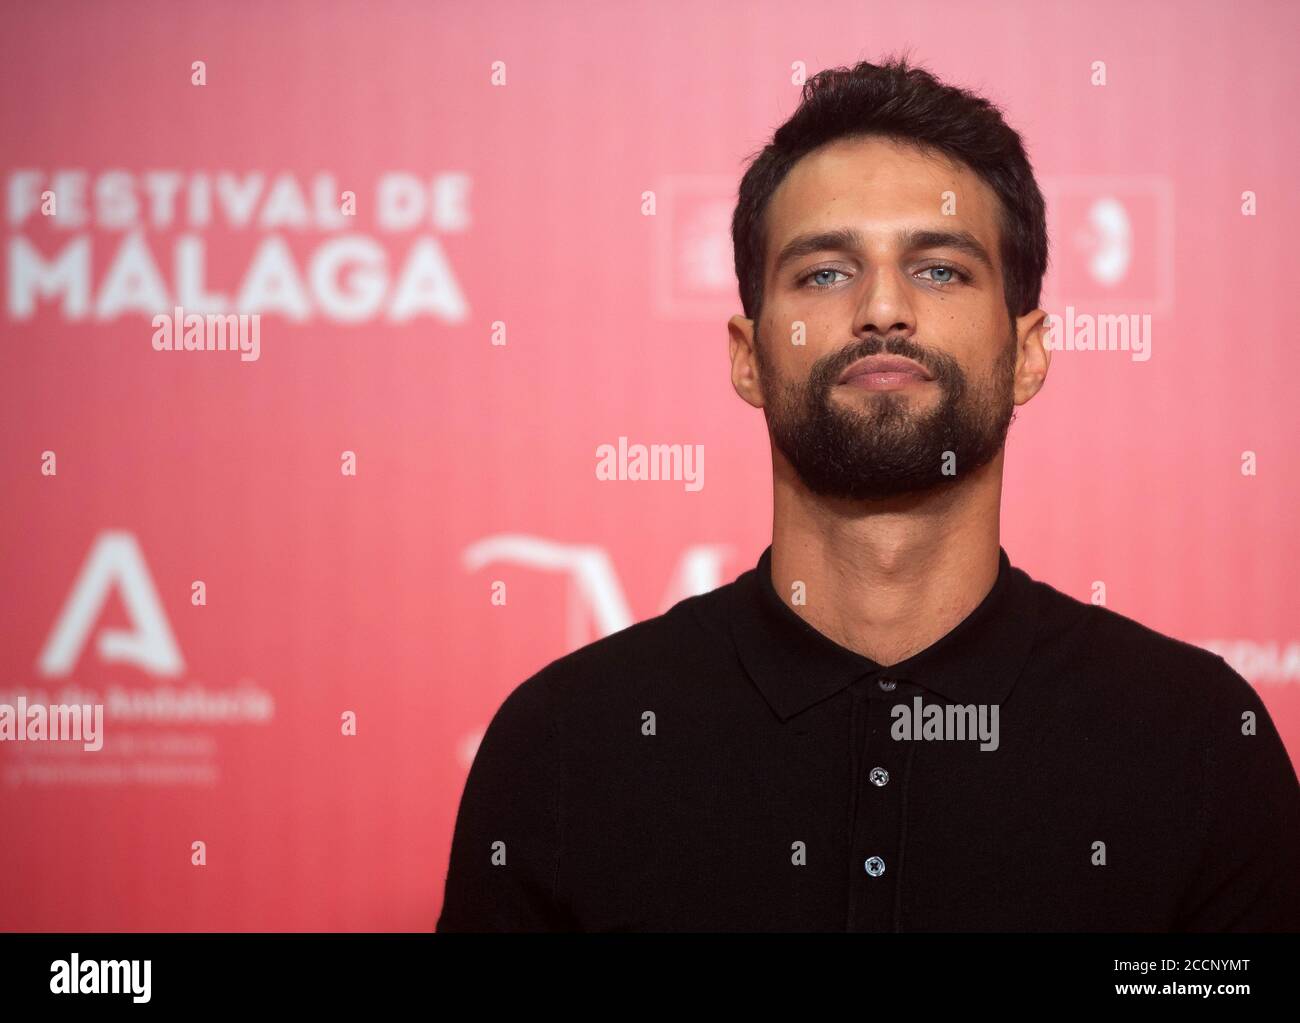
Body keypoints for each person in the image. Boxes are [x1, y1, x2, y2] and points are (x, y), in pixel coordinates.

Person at [436, 55, 1300, 932]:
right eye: (823, 273)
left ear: (1029, 350)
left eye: (939, 269)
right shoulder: (566, 746)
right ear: (747, 355)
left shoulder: (1196, 743)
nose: (883, 308)